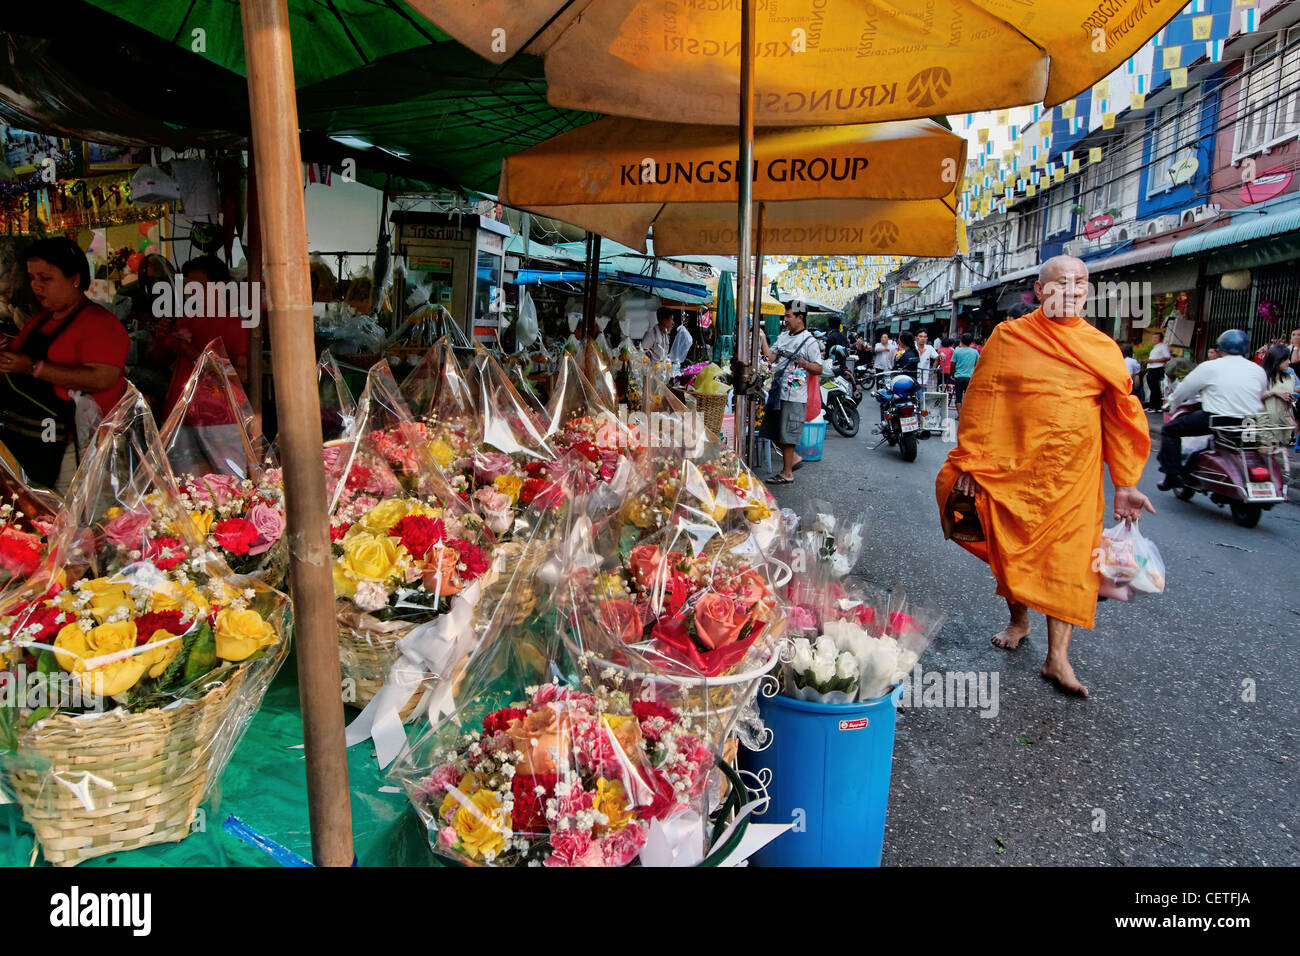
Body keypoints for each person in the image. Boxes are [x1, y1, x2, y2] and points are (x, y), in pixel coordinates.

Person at [937, 255, 1154, 698]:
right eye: (1060, 283)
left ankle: (1058, 659)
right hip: (1013, 468)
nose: (1070, 291)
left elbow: (1121, 416)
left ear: (1088, 291)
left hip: (1074, 475)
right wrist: (972, 462)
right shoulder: (1011, 336)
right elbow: (984, 400)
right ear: (1039, 290)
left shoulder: (1100, 348)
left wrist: (1127, 482)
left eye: (1080, 283)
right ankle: (1018, 618)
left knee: (1070, 562)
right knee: (1005, 542)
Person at [0, 237, 128, 493]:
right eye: (32, 277)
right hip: (39, 443)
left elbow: (102, 378)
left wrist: (34, 367)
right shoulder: (39, 322)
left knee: (83, 522)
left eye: (45, 278)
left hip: (83, 447)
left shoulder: (100, 323)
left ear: (75, 278)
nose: (36, 286)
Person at [153, 256, 255, 475]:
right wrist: (161, 341)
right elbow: (160, 362)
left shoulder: (234, 322)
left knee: (226, 488)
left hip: (218, 421)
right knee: (183, 489)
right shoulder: (185, 319)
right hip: (179, 415)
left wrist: (188, 351)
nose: (193, 292)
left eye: (201, 287)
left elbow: (241, 375)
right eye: (190, 286)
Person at [1156, 330, 1267, 491]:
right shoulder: (1257, 370)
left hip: (1216, 419)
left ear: (1221, 347)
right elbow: (1260, 392)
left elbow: (1186, 389)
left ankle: (1172, 475)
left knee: (1169, 430)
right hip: (1248, 422)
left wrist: (1170, 404)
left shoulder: (1210, 367)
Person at [759, 301, 822, 485]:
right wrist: (763, 339)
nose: (785, 319)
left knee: (788, 434)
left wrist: (805, 364)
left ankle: (787, 473)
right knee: (771, 430)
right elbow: (771, 358)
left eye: (788, 316)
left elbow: (818, 368)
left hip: (795, 395)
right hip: (778, 391)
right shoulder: (784, 337)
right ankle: (793, 459)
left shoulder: (810, 342)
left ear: (800, 318)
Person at [1259, 343, 1297, 440]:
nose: (1289, 362)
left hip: (1284, 423)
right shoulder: (1261, 377)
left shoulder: (1290, 377)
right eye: (1285, 360)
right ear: (1276, 360)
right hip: (1265, 423)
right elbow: (1254, 398)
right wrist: (1274, 392)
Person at [950, 332, 979, 409]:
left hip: (958, 377)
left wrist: (951, 374)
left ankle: (960, 415)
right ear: (971, 342)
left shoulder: (957, 351)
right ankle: (966, 414)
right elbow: (978, 365)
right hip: (970, 378)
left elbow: (953, 364)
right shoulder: (975, 352)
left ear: (961, 341)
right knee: (968, 397)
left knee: (958, 397)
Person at [1144, 331, 1171, 411]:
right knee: (1151, 386)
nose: (1154, 339)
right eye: (1153, 337)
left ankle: (1156, 406)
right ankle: (1152, 405)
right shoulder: (1155, 347)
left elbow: (1167, 357)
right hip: (1151, 368)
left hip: (1157, 368)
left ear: (1161, 339)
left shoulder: (1163, 346)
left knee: (1155, 387)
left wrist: (1153, 361)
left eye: (1156, 338)